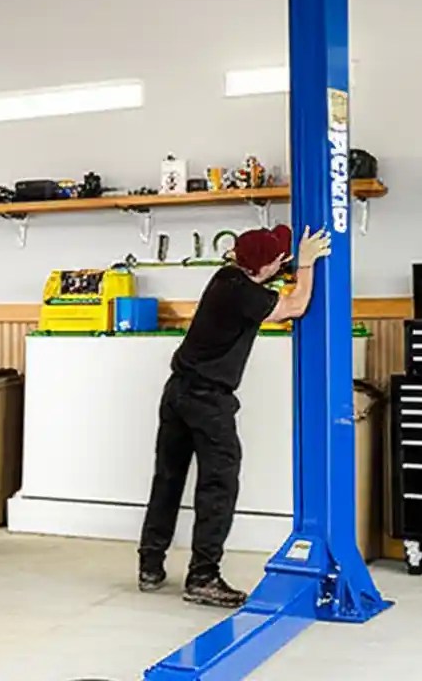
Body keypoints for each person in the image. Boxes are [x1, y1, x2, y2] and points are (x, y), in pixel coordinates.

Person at [137, 224, 332, 608]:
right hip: (208, 401)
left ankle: (150, 565)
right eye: (278, 259)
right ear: (264, 267)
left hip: (177, 392)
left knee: (168, 478)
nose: (282, 262)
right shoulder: (247, 295)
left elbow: (266, 277)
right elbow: (295, 306)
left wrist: (285, 261)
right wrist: (307, 265)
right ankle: (203, 578)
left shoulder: (226, 277)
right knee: (218, 485)